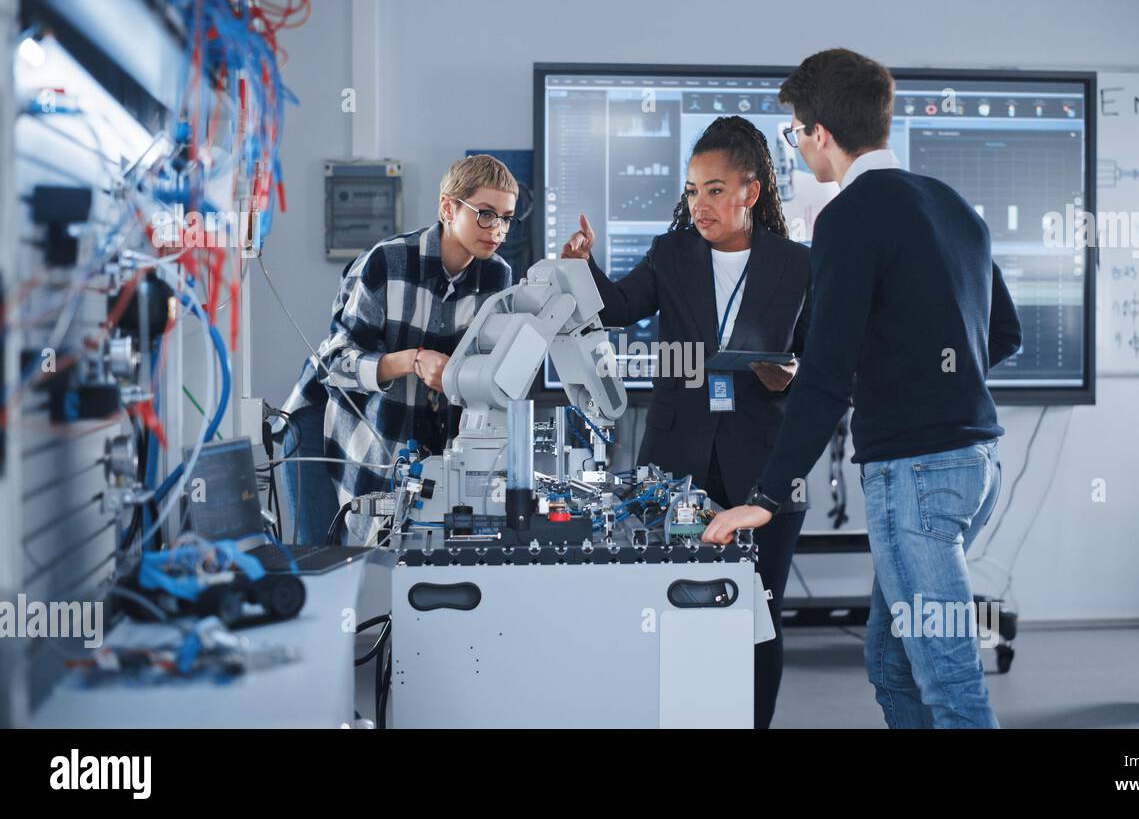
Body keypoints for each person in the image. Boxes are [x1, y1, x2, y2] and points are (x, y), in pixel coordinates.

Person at [703, 50, 1023, 729]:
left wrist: (765, 497)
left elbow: (822, 373)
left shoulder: (848, 216)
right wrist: (905, 379)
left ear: (820, 132)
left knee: (950, 680)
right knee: (890, 662)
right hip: (976, 467)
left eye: (794, 132)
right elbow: (1003, 335)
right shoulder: (954, 206)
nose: (796, 145)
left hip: (915, 477)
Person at [560, 116, 812, 729]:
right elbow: (619, 307)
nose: (700, 204)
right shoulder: (670, 253)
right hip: (677, 461)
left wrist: (791, 373)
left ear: (751, 192)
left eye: (716, 189)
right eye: (693, 190)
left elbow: (824, 363)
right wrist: (580, 266)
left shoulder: (799, 264)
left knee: (760, 615)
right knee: (673, 608)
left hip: (765, 464)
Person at [278, 155, 519, 544]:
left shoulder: (497, 276)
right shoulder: (386, 263)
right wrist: (412, 360)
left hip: (405, 431)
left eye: (506, 218)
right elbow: (333, 364)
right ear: (448, 208)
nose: (497, 230)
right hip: (328, 424)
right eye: (486, 214)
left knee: (394, 562)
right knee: (324, 561)